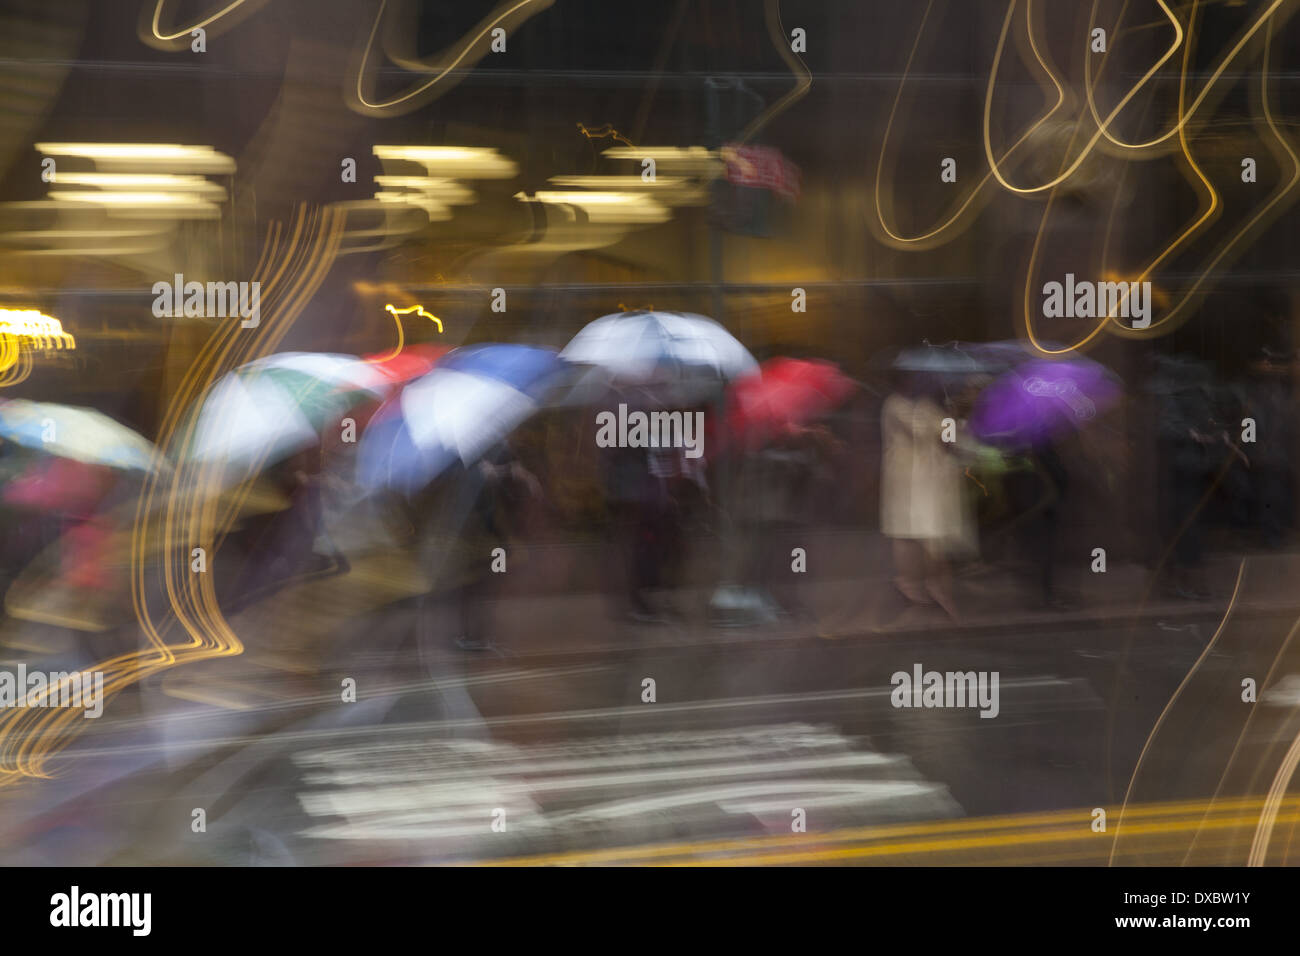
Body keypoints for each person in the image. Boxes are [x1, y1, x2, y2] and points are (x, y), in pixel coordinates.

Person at [879, 376, 981, 620]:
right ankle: (910, 583)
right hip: (906, 479)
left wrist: (953, 414)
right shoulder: (895, 405)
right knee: (909, 533)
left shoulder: (925, 406)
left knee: (924, 533)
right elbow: (922, 432)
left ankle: (927, 584)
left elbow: (950, 439)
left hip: (927, 481)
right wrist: (950, 414)